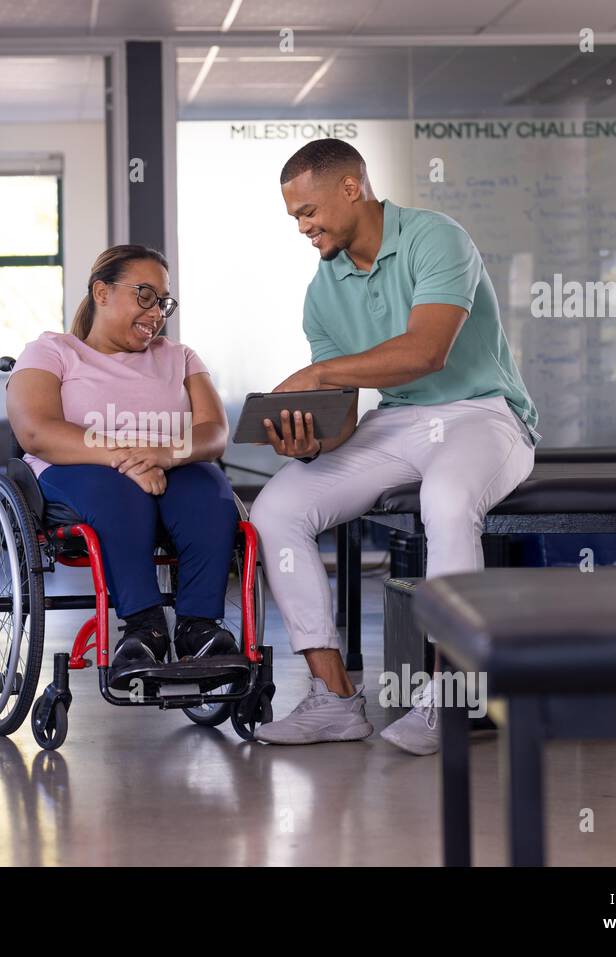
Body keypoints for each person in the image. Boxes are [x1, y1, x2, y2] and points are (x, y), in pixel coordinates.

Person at [251, 138, 540, 754]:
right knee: (277, 508)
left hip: (482, 414)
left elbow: (424, 352)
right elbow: (345, 417)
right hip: (398, 423)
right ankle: (332, 700)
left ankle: (449, 697)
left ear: (351, 189)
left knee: (446, 496)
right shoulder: (322, 291)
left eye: (308, 212)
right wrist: (306, 442)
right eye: (295, 217)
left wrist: (319, 376)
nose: (303, 228)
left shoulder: (437, 238)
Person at [6, 244, 240, 689]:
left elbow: (212, 432)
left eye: (164, 302)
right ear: (102, 292)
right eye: (145, 296)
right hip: (78, 473)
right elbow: (35, 431)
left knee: (211, 491)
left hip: (169, 469)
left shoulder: (181, 357)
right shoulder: (53, 350)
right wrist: (126, 458)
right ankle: (144, 629)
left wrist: (163, 455)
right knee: (118, 492)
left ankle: (199, 629)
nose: (157, 313)